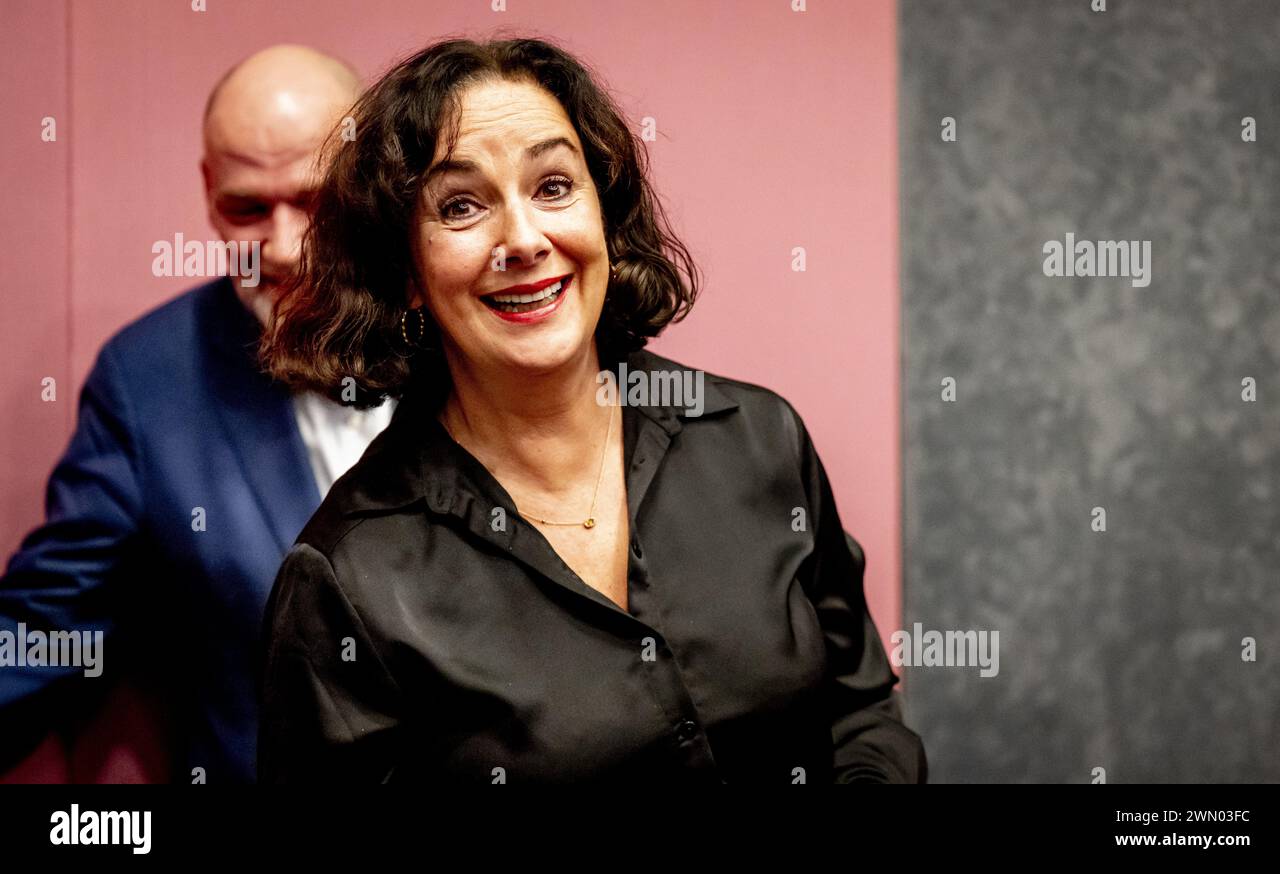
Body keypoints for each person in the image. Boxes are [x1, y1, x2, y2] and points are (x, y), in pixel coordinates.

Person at [258, 37, 926, 784]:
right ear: (406, 272)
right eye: (462, 206)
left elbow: (860, 712)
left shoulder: (756, 438)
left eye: (552, 187)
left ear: (602, 217)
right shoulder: (348, 577)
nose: (522, 240)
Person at [0, 44, 396, 784]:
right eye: (247, 208)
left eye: (315, 201)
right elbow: (44, 630)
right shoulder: (149, 377)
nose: (280, 250)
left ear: (374, 180)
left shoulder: (480, 330)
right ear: (208, 191)